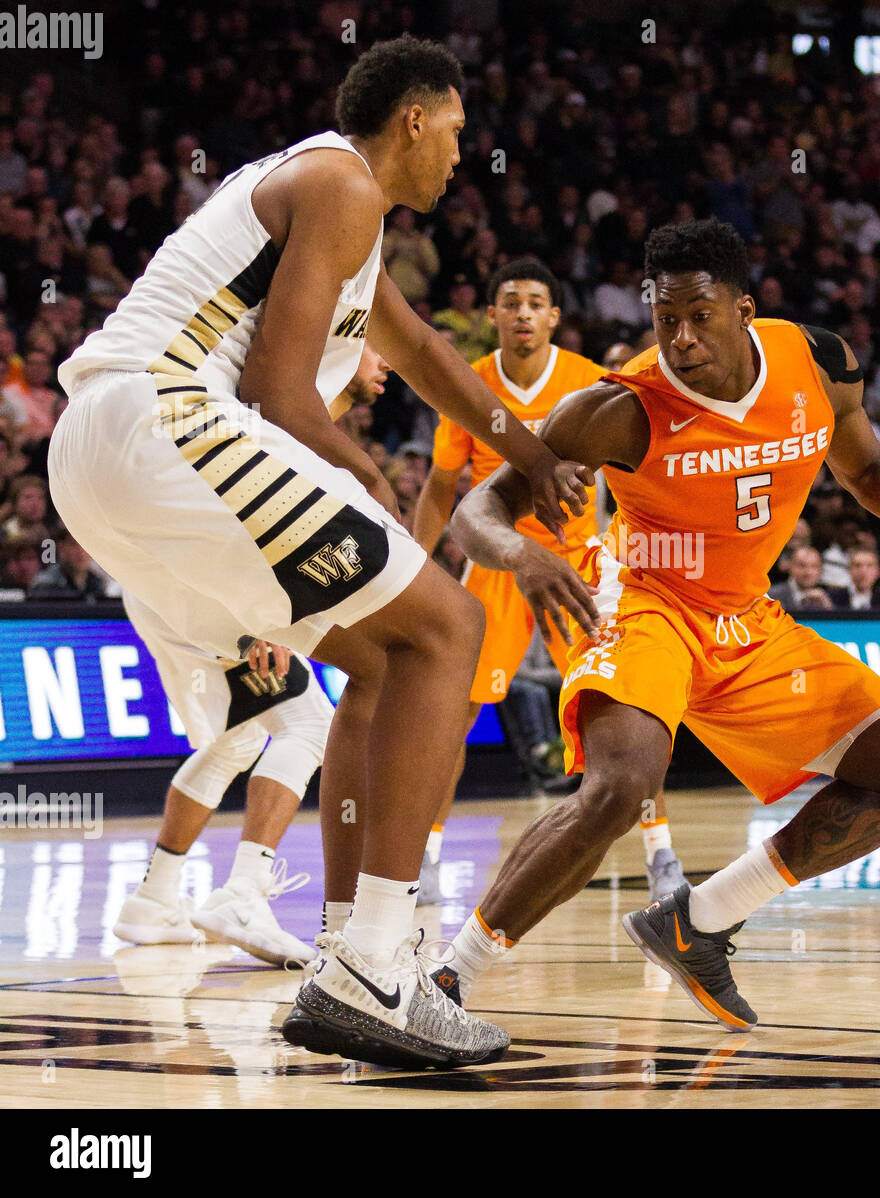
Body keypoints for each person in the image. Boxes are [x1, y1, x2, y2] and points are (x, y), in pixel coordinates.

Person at [49, 37, 590, 1070]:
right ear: (416, 120)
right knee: (450, 623)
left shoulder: (353, 225)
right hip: (163, 420)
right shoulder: (339, 180)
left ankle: (350, 944)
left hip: (102, 462)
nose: (460, 158)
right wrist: (366, 477)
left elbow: (425, 354)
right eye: (459, 134)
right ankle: (379, 964)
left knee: (383, 657)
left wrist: (532, 448)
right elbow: (280, 393)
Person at [439, 219, 880, 1029]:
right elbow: (476, 507)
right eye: (665, 322)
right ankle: (443, 979)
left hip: (746, 619)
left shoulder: (819, 363)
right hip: (649, 605)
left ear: (744, 309)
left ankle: (697, 922)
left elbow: (865, 468)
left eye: (699, 316)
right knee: (619, 789)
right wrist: (519, 556)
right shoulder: (619, 409)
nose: (682, 340)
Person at [412, 257, 688, 903]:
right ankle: (424, 857)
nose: (524, 314)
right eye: (511, 303)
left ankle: (662, 856)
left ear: (555, 316)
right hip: (499, 560)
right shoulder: (470, 385)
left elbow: (631, 480)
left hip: (578, 561)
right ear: (492, 316)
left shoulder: (588, 382)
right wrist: (418, 567)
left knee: (630, 708)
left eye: (536, 303)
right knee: (455, 713)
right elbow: (438, 488)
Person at [113, 594, 330, 967]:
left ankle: (154, 899)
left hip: (155, 594)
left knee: (237, 740)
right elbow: (204, 537)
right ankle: (243, 892)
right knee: (308, 725)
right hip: (205, 595)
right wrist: (253, 623)